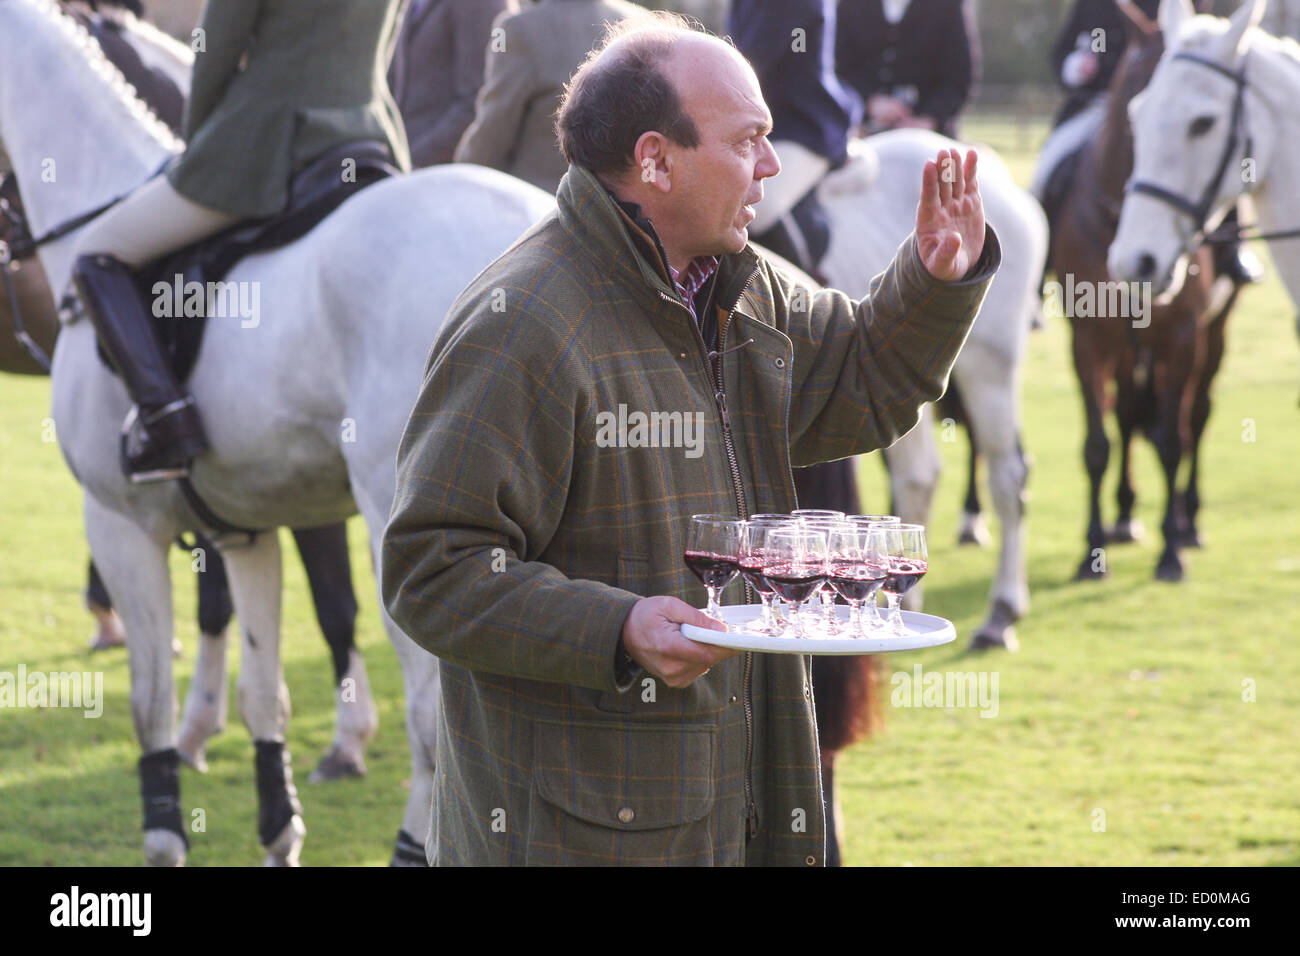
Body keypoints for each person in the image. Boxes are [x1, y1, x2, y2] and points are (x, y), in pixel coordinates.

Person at [382, 11, 1000, 866]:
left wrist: (931, 280)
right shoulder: (521, 322)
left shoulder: (744, 286)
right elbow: (432, 569)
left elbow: (861, 382)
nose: (772, 165)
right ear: (656, 161)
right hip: (570, 837)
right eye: (747, 141)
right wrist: (617, 628)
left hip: (733, 810)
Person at [70, 0, 410, 483]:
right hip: (367, 140)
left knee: (97, 252)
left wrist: (200, 144)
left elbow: (216, 51)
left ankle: (166, 419)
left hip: (264, 141)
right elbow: (385, 42)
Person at [728, 0, 860, 276]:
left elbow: (750, 61)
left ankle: (803, 290)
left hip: (803, 127)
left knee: (756, 205)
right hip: (755, 126)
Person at [454, 0, 642, 194]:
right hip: (616, 204)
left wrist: (458, 177)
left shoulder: (517, 28)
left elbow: (493, 132)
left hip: (531, 201)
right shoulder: (638, 23)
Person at [388, 0, 512, 168]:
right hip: (403, 161)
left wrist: (411, 164)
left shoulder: (479, 4)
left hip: (440, 172)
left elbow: (478, 102)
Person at [836, 0, 979, 139]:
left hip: (930, 134)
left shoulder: (948, 4)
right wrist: (870, 102)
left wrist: (928, 119)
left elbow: (960, 78)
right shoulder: (851, 4)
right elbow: (839, 69)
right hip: (862, 130)